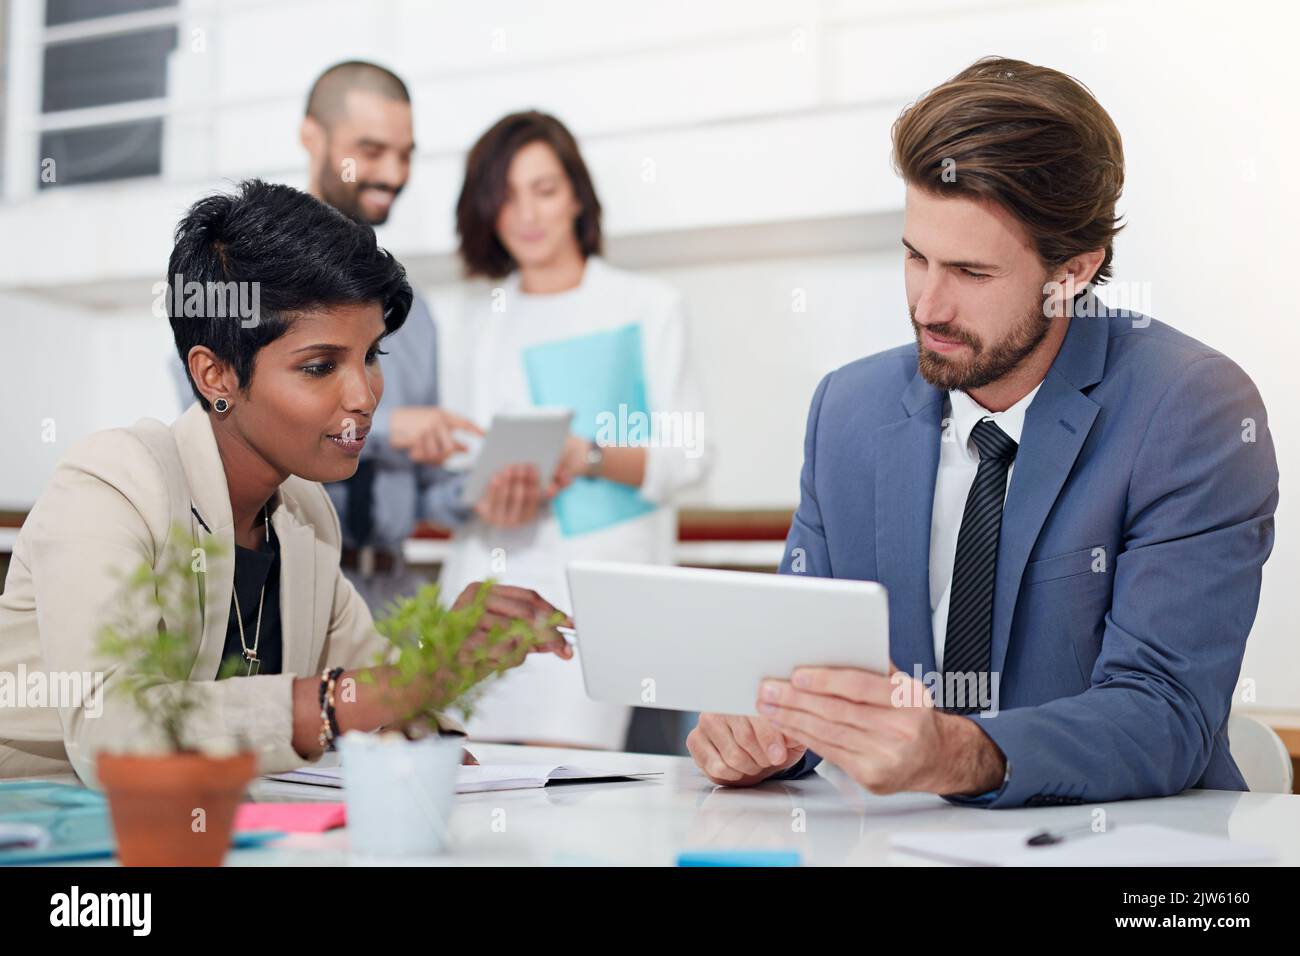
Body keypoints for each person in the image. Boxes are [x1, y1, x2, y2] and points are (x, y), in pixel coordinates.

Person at [688, 57, 1279, 808]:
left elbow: (1165, 713)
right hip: (894, 849)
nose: (928, 306)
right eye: (914, 256)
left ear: (1073, 272)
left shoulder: (1192, 409)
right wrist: (766, 732)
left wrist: (961, 754)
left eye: (971, 273)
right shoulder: (848, 410)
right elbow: (800, 674)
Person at [0, 179, 571, 784]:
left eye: (372, 355)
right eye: (320, 366)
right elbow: (111, 732)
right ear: (215, 375)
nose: (365, 395)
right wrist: (374, 696)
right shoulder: (111, 487)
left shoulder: (303, 513)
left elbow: (380, 697)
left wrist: (447, 656)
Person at [168, 60, 538, 615]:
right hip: (277, 583)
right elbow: (222, 419)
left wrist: (483, 496)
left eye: (406, 153)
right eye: (371, 150)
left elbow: (426, 489)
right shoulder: (237, 275)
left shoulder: (414, 315)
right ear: (311, 137)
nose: (393, 172)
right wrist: (394, 428)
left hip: (392, 594)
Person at [438, 111, 711, 749]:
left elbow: (690, 456)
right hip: (492, 579)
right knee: (473, 790)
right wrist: (485, 491)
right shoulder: (476, 324)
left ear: (577, 198)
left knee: (574, 797)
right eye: (505, 196)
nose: (527, 214)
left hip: (596, 597)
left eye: (545, 189)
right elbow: (458, 467)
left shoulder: (647, 307)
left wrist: (585, 455)